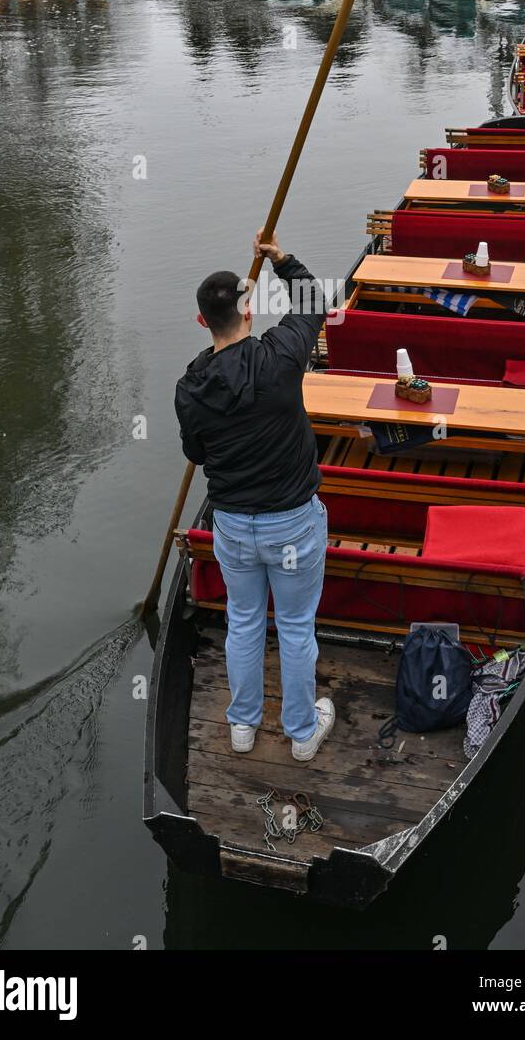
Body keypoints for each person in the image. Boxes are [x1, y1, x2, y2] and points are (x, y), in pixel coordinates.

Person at [174, 229, 334, 762]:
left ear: (201, 321)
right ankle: (301, 732)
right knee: (294, 626)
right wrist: (284, 261)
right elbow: (313, 300)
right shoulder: (281, 357)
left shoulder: (190, 386)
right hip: (292, 524)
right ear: (250, 312)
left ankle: (242, 725)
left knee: (243, 622)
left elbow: (195, 452)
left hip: (234, 526)